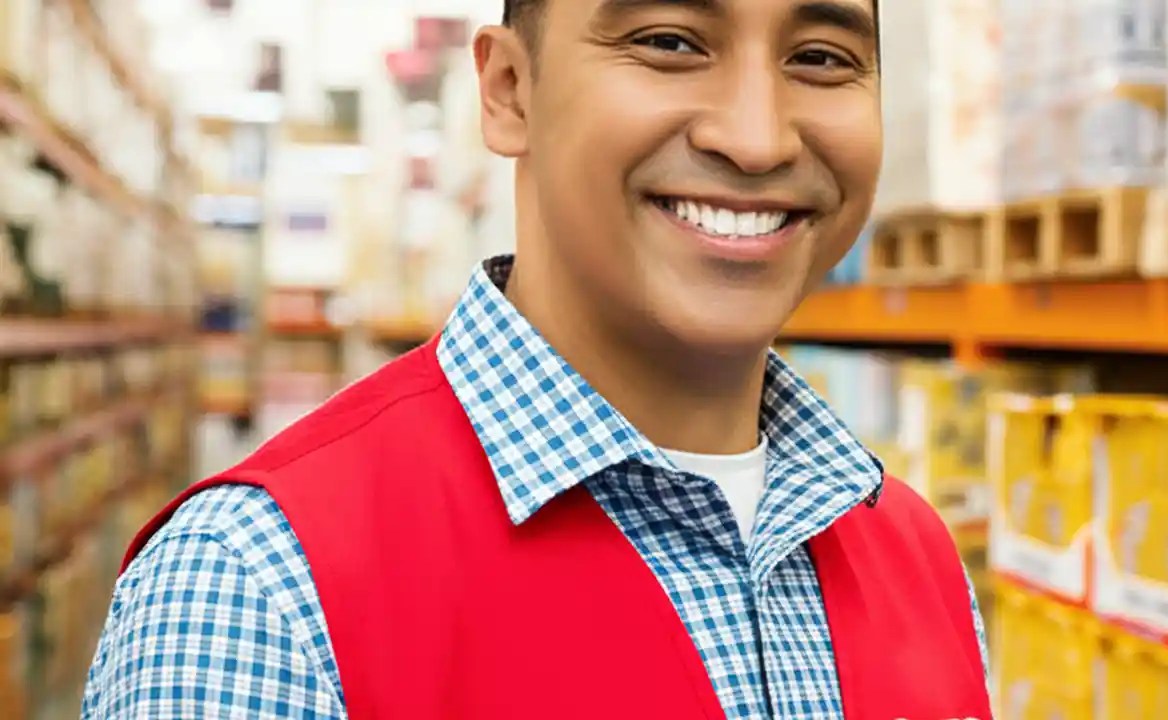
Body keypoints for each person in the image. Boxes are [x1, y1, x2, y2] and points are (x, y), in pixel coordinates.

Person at [82, 0, 993, 718]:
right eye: (672, 41)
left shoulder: (917, 556)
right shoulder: (257, 592)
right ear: (510, 91)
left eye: (821, 59)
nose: (757, 139)